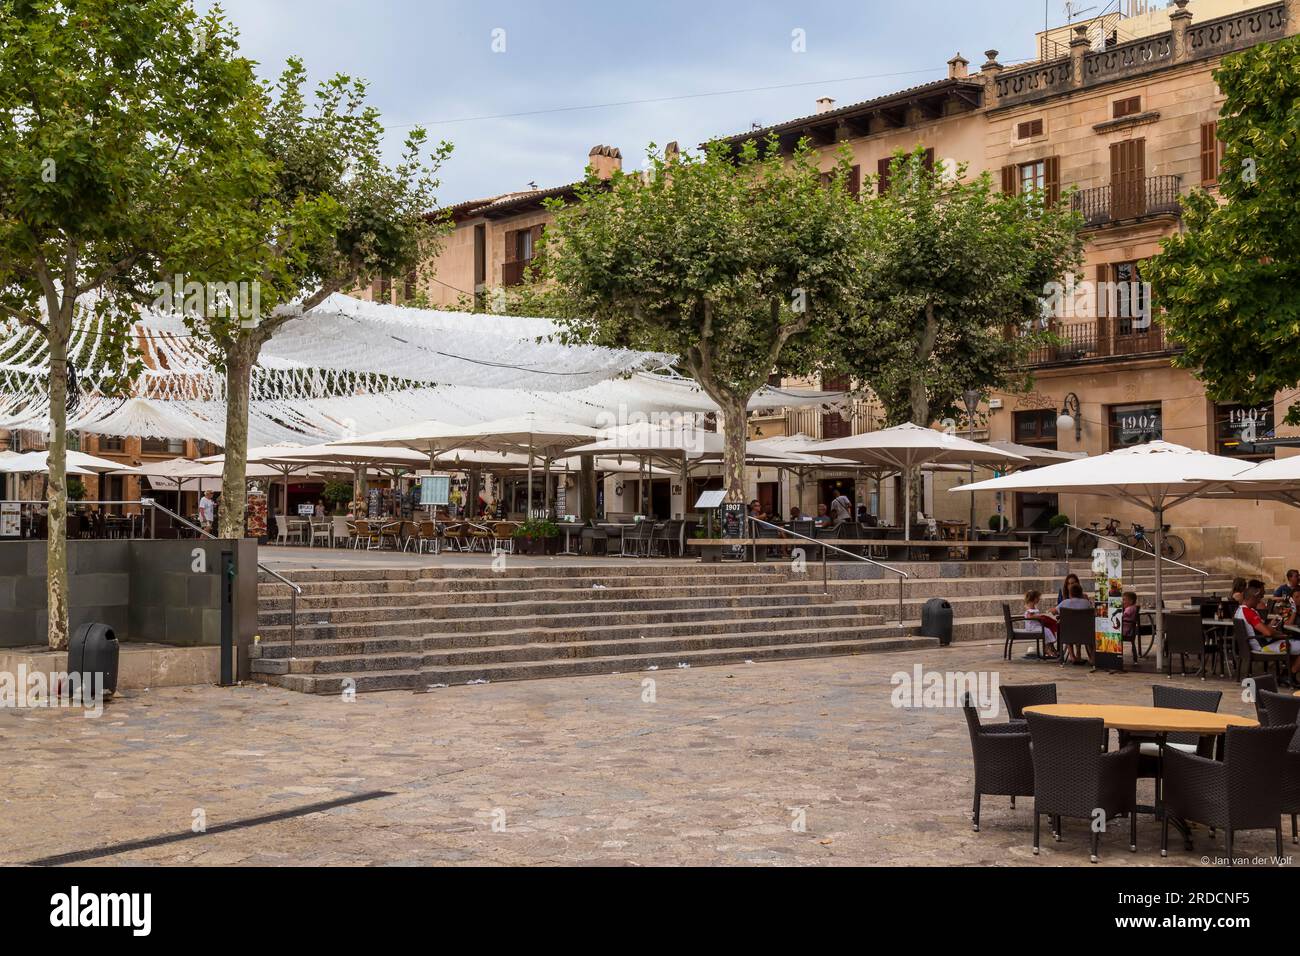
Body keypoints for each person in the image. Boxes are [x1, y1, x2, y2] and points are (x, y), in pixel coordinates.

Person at [1235, 587, 1300, 686]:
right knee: (1295, 644)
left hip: (1255, 644)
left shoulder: (1239, 611)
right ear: (1253, 598)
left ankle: (1287, 674)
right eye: (1258, 598)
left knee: (1295, 645)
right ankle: (1289, 675)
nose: (1259, 601)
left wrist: (1272, 626)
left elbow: (1262, 630)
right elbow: (1268, 633)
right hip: (1263, 647)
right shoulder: (1249, 613)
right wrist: (1279, 634)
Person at [1057, 583, 1095, 664]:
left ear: (1070, 593)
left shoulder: (1065, 603)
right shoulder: (1086, 603)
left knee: (1067, 627)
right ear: (1081, 593)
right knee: (1086, 630)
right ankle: (1092, 658)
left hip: (1069, 635)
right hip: (1085, 634)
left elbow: (1054, 611)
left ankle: (1072, 657)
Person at [1023, 589, 1058, 658]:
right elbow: (1029, 616)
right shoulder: (1030, 607)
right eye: (1038, 598)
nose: (1039, 599)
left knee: (1048, 629)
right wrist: (1039, 617)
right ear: (1034, 599)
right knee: (1047, 631)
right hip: (1032, 628)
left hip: (1036, 626)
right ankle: (1046, 648)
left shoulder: (1033, 607)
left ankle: (1050, 647)